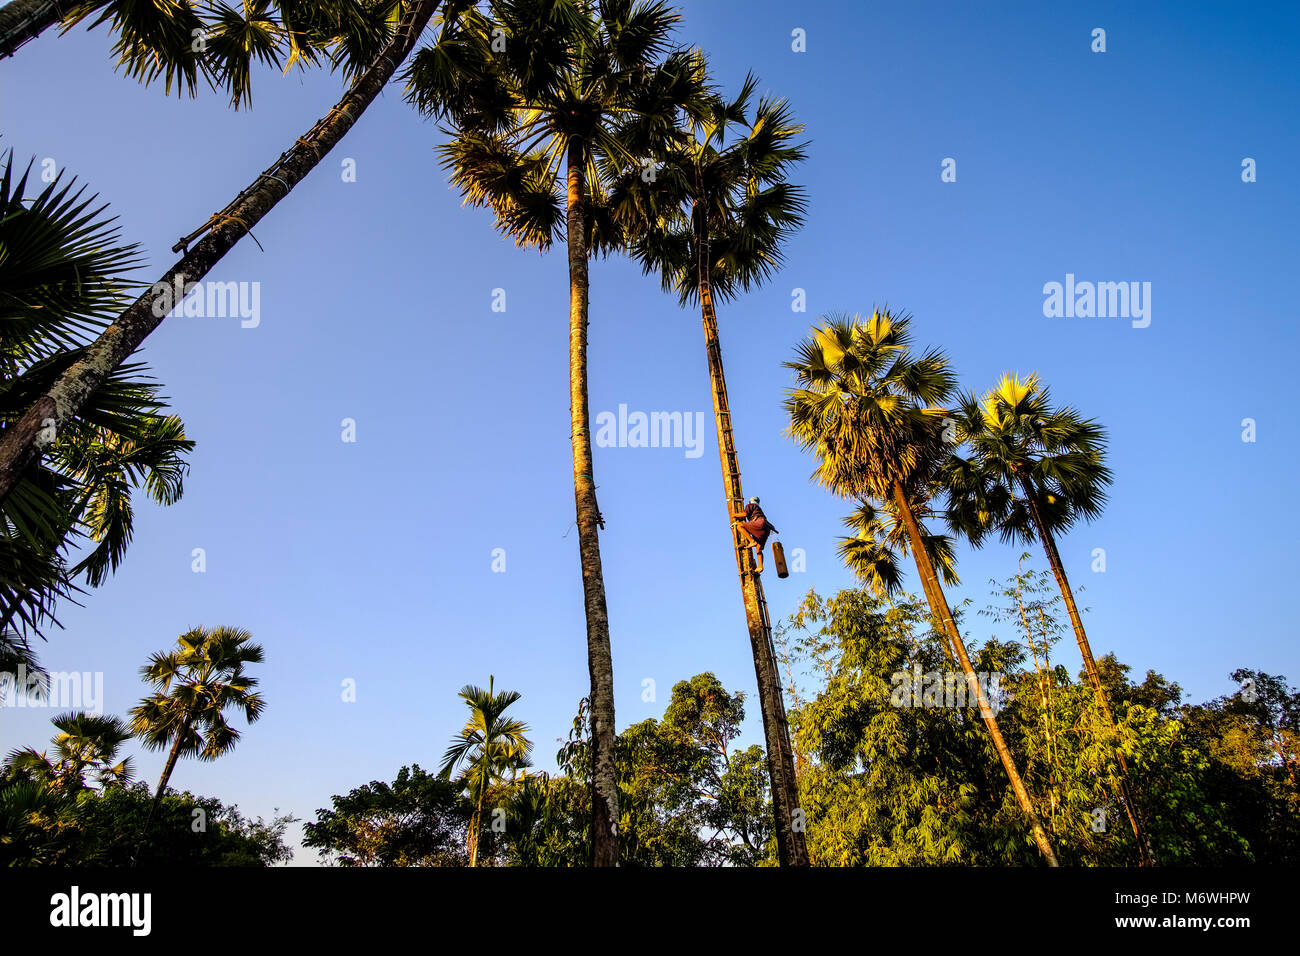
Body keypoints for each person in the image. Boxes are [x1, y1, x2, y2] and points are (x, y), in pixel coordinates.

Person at [732, 495, 778, 573]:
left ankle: (752, 541)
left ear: (750, 501)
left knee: (740, 526)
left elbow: (745, 514)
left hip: (758, 523)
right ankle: (760, 566)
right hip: (766, 529)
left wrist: (734, 515)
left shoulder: (751, 505)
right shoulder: (759, 509)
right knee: (758, 549)